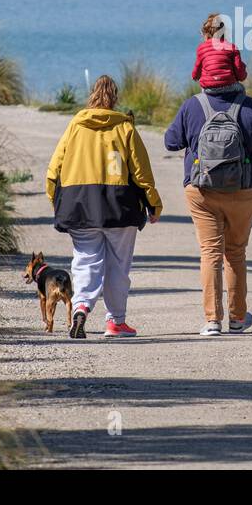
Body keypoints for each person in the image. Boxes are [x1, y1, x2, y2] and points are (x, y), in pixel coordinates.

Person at [46, 75, 161, 339]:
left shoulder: (75, 126)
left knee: (85, 261)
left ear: (92, 96)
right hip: (120, 209)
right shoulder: (125, 128)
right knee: (118, 267)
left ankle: (81, 308)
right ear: (115, 98)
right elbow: (142, 173)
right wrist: (154, 204)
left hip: (80, 208)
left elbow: (53, 171)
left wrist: (57, 202)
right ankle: (116, 322)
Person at [164, 81, 252, 336]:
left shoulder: (193, 106)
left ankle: (212, 320)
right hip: (243, 190)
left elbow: (171, 142)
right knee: (235, 253)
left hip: (201, 191)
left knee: (210, 253)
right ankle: (237, 318)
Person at [191, 12, 247, 95]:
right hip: (229, 86)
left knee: (202, 92)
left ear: (205, 34)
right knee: (241, 88)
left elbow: (196, 74)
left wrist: (195, 76)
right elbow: (240, 75)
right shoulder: (232, 47)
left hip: (208, 89)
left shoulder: (201, 48)